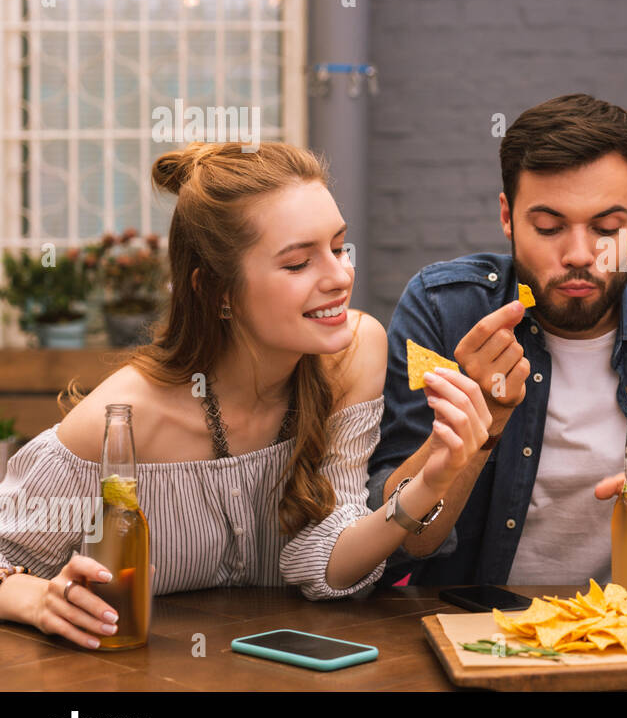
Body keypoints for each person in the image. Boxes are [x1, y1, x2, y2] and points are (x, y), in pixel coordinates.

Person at [0, 142, 490, 650]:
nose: (340, 276)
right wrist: (35, 599)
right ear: (218, 293)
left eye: (340, 248)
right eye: (299, 263)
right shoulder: (121, 419)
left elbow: (325, 561)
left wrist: (431, 479)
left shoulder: (353, 355)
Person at [368, 94, 627, 587]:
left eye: (607, 228)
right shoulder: (443, 309)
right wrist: (478, 429)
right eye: (548, 227)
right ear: (507, 217)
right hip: (481, 634)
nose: (580, 254)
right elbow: (397, 547)